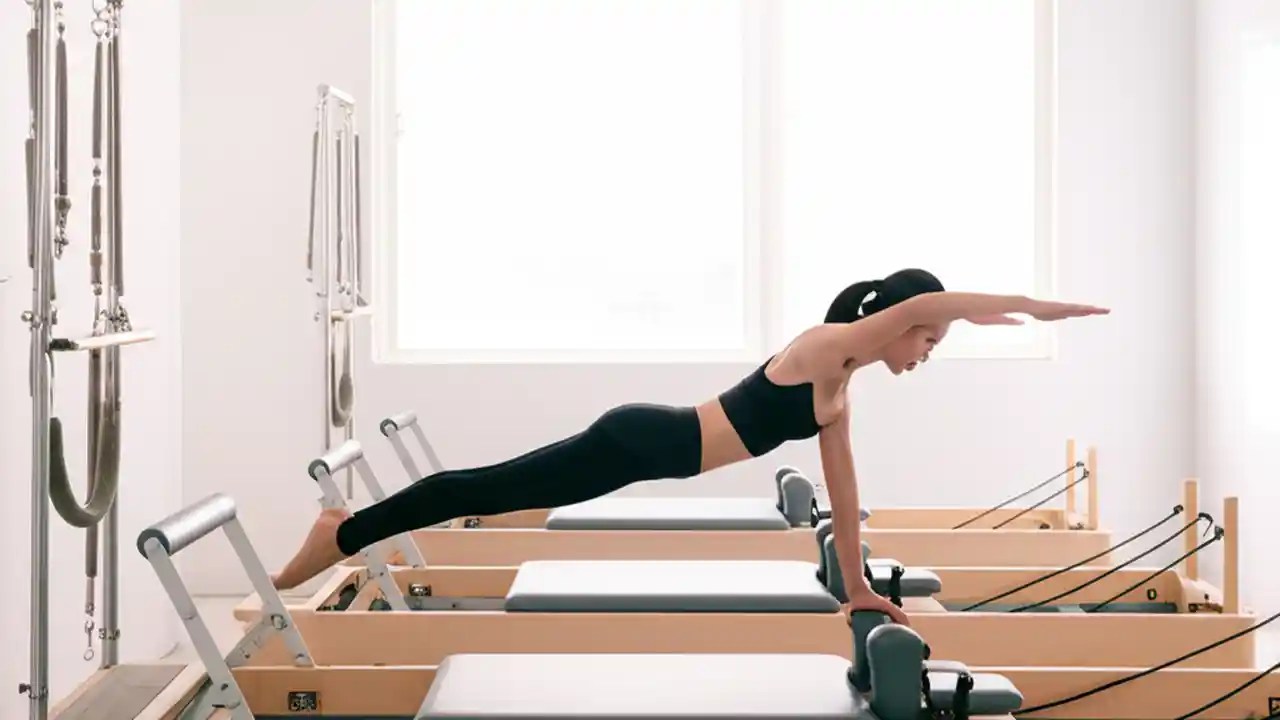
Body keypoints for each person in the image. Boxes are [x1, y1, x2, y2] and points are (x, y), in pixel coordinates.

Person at [271, 268, 1108, 624]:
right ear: (905, 322)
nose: (927, 353)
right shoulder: (826, 346)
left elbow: (847, 499)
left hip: (645, 450)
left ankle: (342, 529)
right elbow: (944, 301)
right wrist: (1034, 308)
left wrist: (856, 586)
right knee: (486, 491)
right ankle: (339, 533)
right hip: (641, 438)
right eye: (930, 339)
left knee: (496, 490)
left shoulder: (838, 398)